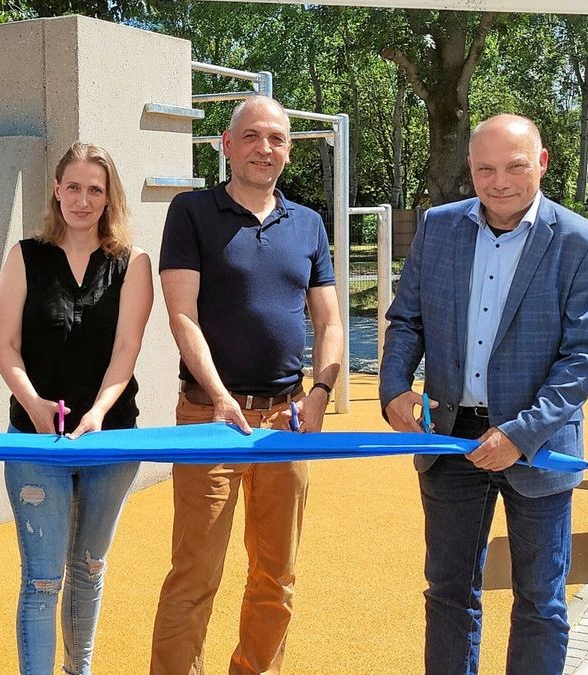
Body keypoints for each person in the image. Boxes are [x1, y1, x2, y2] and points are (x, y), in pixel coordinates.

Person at [379, 114, 588, 675]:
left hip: (536, 447)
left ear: (542, 163)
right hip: (450, 443)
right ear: (470, 168)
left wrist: (519, 433)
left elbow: (585, 356)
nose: (499, 180)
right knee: (448, 592)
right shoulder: (438, 227)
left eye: (515, 166)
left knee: (539, 600)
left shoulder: (584, 242)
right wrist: (394, 388)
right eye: (485, 168)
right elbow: (406, 320)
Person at [150, 95, 344, 675]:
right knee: (194, 573)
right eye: (253, 136)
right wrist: (220, 397)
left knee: (276, 575)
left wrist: (319, 396)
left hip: (285, 423)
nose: (266, 148)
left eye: (277, 139)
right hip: (209, 420)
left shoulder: (307, 224)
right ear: (227, 145)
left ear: (288, 150)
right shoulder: (191, 212)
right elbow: (181, 315)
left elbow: (331, 321)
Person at [0, 141, 153, 674]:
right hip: (36, 440)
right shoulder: (24, 256)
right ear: (57, 191)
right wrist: (33, 403)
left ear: (110, 198)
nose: (83, 200)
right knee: (42, 577)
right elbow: (5, 347)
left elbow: (126, 353)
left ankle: (77, 670)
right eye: (74, 187)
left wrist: (98, 414)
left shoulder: (133, 265)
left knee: (87, 567)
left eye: (95, 190)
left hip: (110, 439)